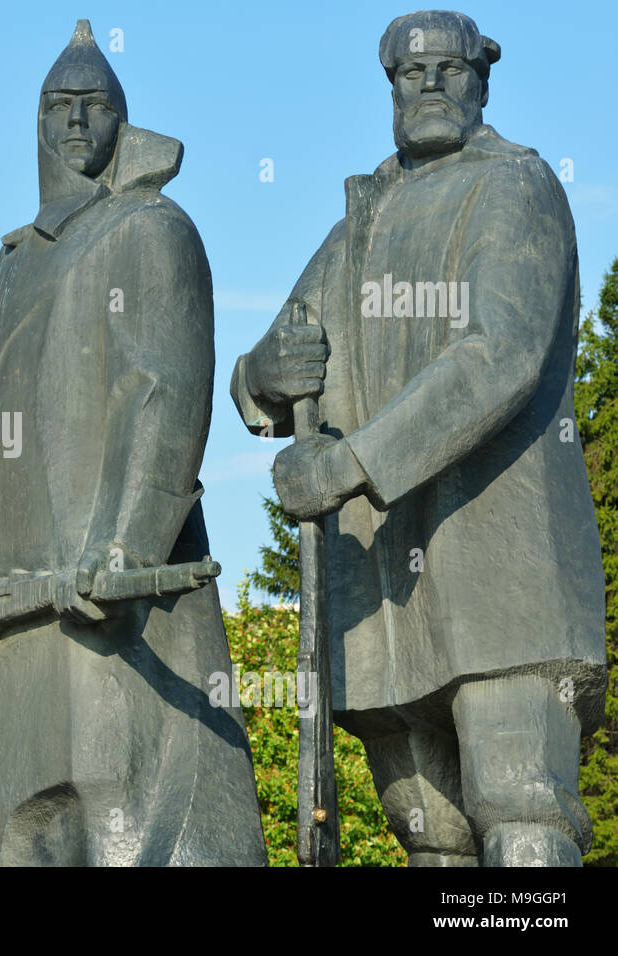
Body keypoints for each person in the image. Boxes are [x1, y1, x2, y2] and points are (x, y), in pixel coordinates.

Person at [231, 11, 606, 866]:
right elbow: (265, 370)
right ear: (390, 87)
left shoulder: (516, 185)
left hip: (502, 574)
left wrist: (351, 464)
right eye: (411, 72)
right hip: (386, 597)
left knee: (521, 806)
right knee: (426, 830)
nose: (430, 84)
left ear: (483, 78)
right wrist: (260, 371)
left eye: (449, 68)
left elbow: (498, 354)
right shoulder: (362, 219)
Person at [0, 21, 267, 866]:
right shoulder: (14, 262)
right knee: (25, 834)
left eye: (93, 105)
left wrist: (125, 549)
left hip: (116, 604)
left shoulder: (151, 228)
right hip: (22, 610)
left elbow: (166, 394)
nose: (75, 121)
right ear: (36, 121)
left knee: (129, 824)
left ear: (120, 120)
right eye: (58, 105)